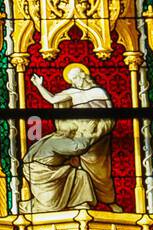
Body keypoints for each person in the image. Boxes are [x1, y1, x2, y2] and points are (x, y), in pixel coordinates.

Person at [21, 64, 117, 214]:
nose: (74, 81)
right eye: (72, 79)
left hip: (100, 134)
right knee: (79, 167)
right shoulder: (72, 93)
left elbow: (111, 113)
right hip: (82, 133)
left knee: (102, 173)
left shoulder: (99, 92)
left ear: (84, 75)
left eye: (76, 77)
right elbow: (52, 99)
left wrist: (102, 128)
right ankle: (79, 200)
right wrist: (39, 85)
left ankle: (109, 201)